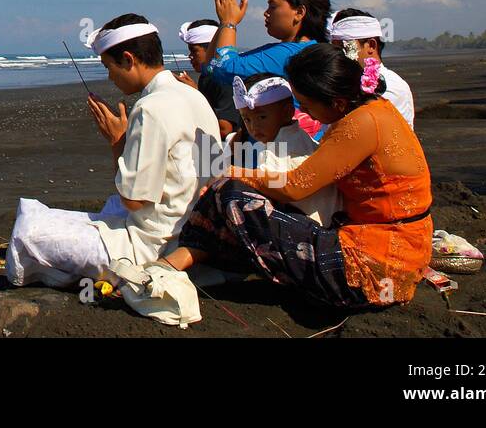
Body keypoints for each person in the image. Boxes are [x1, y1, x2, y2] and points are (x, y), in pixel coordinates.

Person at [162, 43, 433, 307]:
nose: (304, 111)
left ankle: (174, 264)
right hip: (396, 247)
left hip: (378, 262)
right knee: (234, 194)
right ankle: (180, 263)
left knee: (233, 194)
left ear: (337, 103)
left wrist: (237, 174)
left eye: (305, 104)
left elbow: (294, 186)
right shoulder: (373, 109)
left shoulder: (360, 123)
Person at [5, 14, 221, 288]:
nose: (110, 77)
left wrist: (118, 141)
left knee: (29, 231)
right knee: (43, 213)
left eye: (109, 67)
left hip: (154, 244)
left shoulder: (151, 108)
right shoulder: (193, 95)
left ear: (129, 60)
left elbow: (135, 200)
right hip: (194, 233)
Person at [199, 0, 333, 135]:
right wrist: (225, 24)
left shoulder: (289, 54)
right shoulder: (309, 49)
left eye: (273, 6)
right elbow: (211, 68)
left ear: (299, 12)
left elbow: (223, 68)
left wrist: (229, 22)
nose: (266, 12)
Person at [221, 74, 339, 226]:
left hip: (309, 230)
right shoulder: (302, 139)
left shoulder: (277, 151)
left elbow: (266, 191)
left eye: (262, 117)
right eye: (247, 119)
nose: (253, 127)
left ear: (287, 111)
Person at [329, 8, 415, 127]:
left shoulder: (391, 87)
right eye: (335, 50)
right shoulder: (347, 82)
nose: (338, 56)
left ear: (371, 45)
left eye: (345, 48)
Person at [176, 19, 241, 136]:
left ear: (211, 49)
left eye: (194, 51)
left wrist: (195, 94)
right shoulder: (206, 77)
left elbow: (224, 129)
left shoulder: (223, 79)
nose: (190, 56)